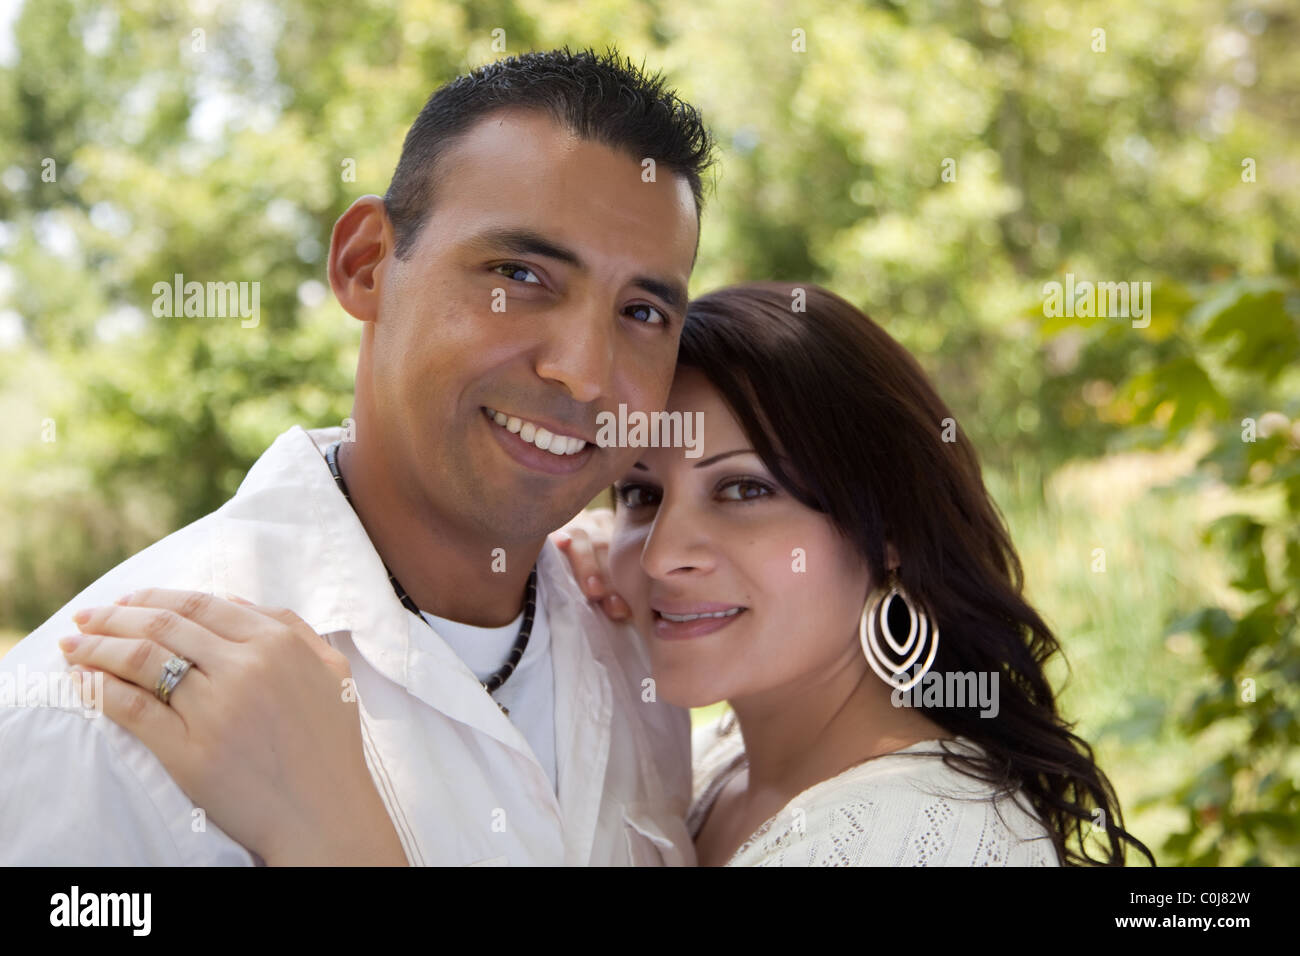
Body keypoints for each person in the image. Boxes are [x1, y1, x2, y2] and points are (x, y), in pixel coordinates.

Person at [56, 283, 1156, 866]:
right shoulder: (724, 758)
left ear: (887, 533)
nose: (665, 550)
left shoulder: (931, 841)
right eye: (637, 492)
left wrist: (335, 833)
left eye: (742, 489)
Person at [0, 47, 715, 866]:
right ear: (365, 265)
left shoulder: (637, 655)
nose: (584, 372)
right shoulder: (97, 722)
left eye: (643, 312)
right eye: (520, 274)